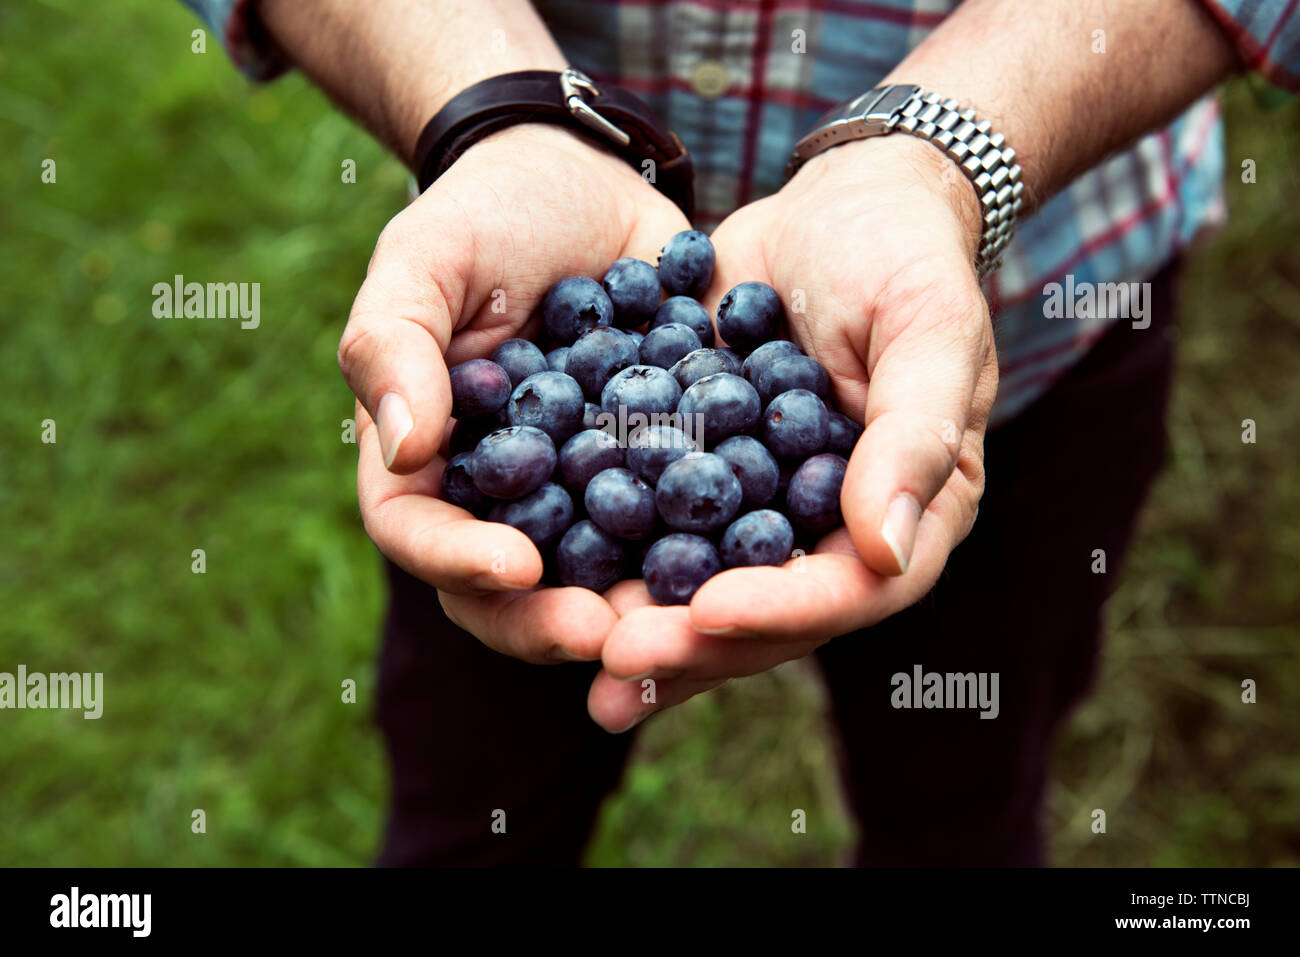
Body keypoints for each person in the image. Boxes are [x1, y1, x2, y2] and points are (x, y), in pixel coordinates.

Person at [180, 0, 1297, 865]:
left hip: (1044, 328)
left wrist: (940, 160)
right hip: (511, 307)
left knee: (963, 808)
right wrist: (497, 115)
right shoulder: (540, 445)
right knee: (472, 817)